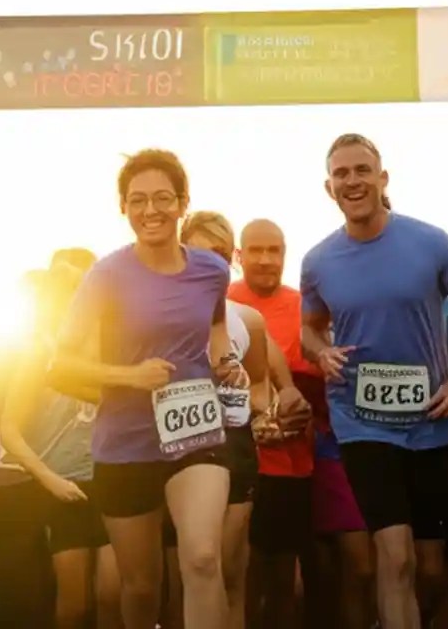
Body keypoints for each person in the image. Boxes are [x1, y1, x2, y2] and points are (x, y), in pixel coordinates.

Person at [300, 133, 448, 629]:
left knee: (429, 568)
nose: (353, 181)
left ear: (382, 178)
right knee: (396, 557)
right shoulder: (319, 261)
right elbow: (307, 328)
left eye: (362, 170)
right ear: (329, 188)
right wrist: (321, 351)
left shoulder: (430, 242)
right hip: (361, 422)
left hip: (430, 420)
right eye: (342, 174)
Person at [50, 148, 246, 629]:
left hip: (196, 435)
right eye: (137, 200)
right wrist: (128, 375)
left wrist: (226, 362)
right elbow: (59, 364)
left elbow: (217, 326)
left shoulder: (211, 271)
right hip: (126, 445)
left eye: (163, 198)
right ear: (123, 208)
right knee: (140, 588)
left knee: (202, 559)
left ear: (183, 203)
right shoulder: (106, 275)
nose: (150, 210)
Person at [0, 248, 122, 629]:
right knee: (74, 603)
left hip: (114, 480)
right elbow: (9, 430)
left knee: (113, 593)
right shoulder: (41, 350)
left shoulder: (117, 348)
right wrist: (48, 478)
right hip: (65, 487)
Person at [174, 211, 271, 629]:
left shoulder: (248, 320)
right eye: (198, 254)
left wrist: (257, 409)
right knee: (191, 571)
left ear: (230, 259)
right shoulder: (157, 316)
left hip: (234, 447)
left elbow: (262, 386)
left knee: (230, 571)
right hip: (174, 447)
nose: (208, 265)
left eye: (216, 254)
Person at [224, 218, 317, 629]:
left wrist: (303, 408)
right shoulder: (219, 302)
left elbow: (324, 376)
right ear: (239, 256)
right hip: (233, 465)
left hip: (292, 464)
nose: (265, 260)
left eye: (274, 251)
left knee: (284, 579)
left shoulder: (305, 307)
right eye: (255, 251)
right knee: (239, 576)